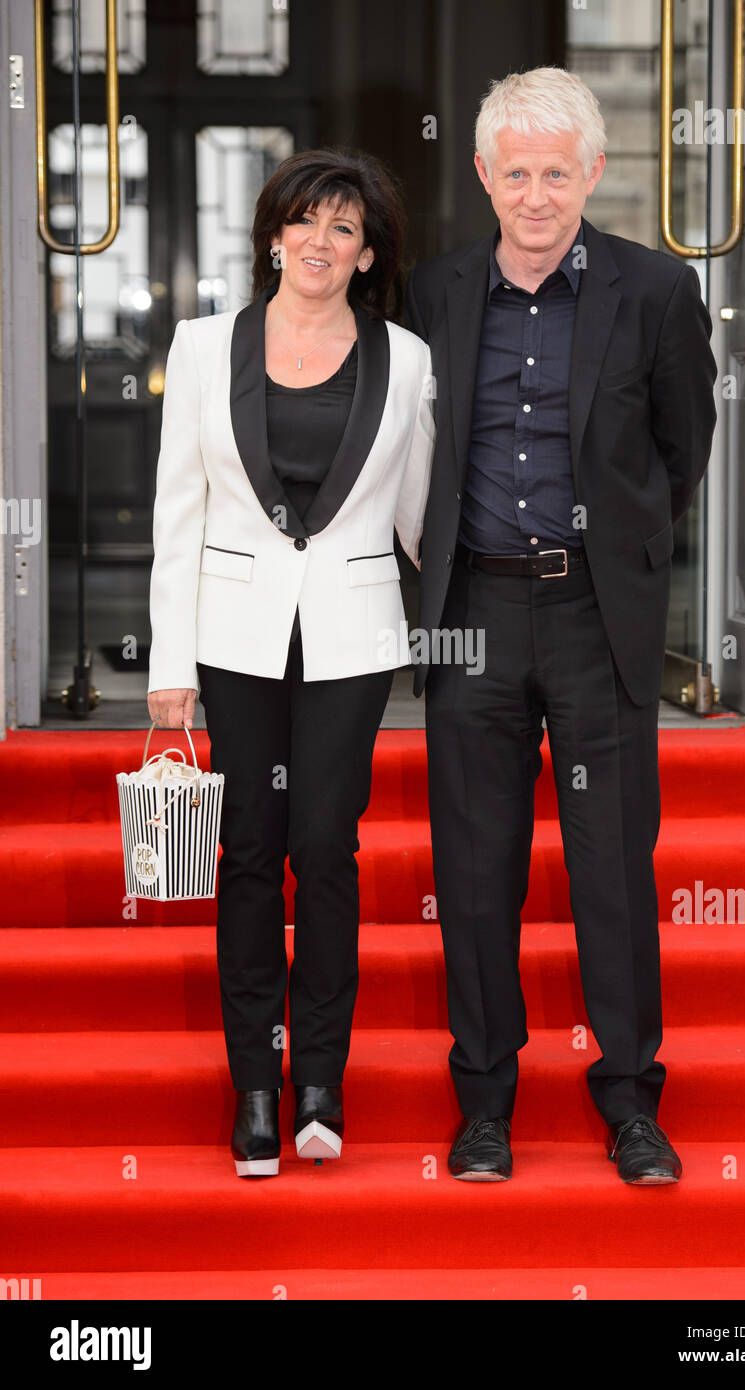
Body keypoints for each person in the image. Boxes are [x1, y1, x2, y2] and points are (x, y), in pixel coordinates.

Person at [404, 67, 717, 1183]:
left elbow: (682, 448)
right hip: (472, 614)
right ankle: (483, 1102)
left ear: (592, 172)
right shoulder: (432, 293)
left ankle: (629, 1101)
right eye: (515, 171)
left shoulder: (652, 291)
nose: (535, 193)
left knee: (611, 868)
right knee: (475, 865)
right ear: (483, 173)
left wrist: (619, 549)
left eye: (556, 171)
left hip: (595, 613)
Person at [147, 148, 434, 1177]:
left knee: (327, 845)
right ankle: (254, 1089)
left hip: (350, 640)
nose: (321, 241)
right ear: (273, 234)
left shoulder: (404, 359)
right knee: (249, 851)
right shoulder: (202, 345)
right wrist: (168, 662)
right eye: (305, 220)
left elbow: (417, 517)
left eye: (343, 228)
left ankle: (321, 1078)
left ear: (366, 255)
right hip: (232, 635)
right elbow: (178, 512)